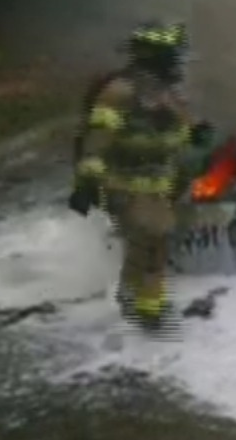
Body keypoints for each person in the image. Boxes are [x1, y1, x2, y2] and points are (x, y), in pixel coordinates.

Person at [69, 20, 213, 328]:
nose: (177, 64)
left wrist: (195, 135)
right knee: (151, 239)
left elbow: (175, 130)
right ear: (153, 57)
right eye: (170, 57)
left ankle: (138, 299)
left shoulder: (168, 94)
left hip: (158, 186)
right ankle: (149, 310)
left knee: (152, 244)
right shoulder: (118, 93)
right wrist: (86, 182)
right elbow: (97, 138)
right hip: (124, 184)